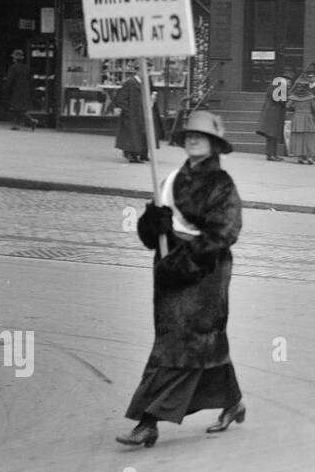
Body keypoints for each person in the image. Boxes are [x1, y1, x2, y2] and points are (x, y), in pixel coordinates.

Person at [117, 111, 245, 447]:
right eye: (189, 135)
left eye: (200, 136)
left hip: (203, 275)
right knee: (200, 343)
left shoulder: (222, 184)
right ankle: (232, 403)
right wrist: (152, 223)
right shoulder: (171, 179)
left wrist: (185, 263)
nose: (192, 139)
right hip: (169, 272)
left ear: (214, 143)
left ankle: (148, 422)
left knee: (181, 346)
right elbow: (149, 235)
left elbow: (224, 232)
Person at [111, 72, 163, 164]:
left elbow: (152, 92)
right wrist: (128, 111)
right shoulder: (130, 83)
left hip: (143, 113)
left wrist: (153, 96)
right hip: (133, 114)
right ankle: (132, 155)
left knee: (143, 134)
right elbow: (120, 99)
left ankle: (142, 153)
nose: (147, 74)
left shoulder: (146, 82)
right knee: (133, 135)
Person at [256, 66, 295, 161]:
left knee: (273, 135)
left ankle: (272, 154)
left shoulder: (277, 84)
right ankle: (271, 155)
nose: (290, 84)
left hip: (273, 113)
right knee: (272, 135)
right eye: (289, 81)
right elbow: (279, 99)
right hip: (273, 114)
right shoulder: (279, 86)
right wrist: (289, 98)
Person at [286, 76, 315, 164]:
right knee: (309, 137)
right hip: (308, 117)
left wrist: (296, 108)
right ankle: (309, 156)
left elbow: (287, 106)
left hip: (297, 117)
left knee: (298, 137)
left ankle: (300, 157)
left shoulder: (294, 97)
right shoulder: (310, 97)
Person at [3, 49, 32, 130]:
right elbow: (30, 80)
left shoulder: (13, 68)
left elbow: (10, 80)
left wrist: (6, 89)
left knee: (16, 109)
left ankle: (30, 121)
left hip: (15, 91)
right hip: (25, 91)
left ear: (15, 59)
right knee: (20, 108)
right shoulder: (27, 68)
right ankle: (18, 123)